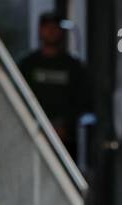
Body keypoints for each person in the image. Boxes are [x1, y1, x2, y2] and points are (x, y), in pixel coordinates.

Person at [18, 13, 90, 157]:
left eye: (54, 27)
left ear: (61, 31)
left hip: (65, 140)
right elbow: (18, 96)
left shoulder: (73, 66)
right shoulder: (27, 65)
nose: (50, 31)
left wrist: (64, 126)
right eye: (46, 27)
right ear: (39, 30)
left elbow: (83, 100)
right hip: (33, 135)